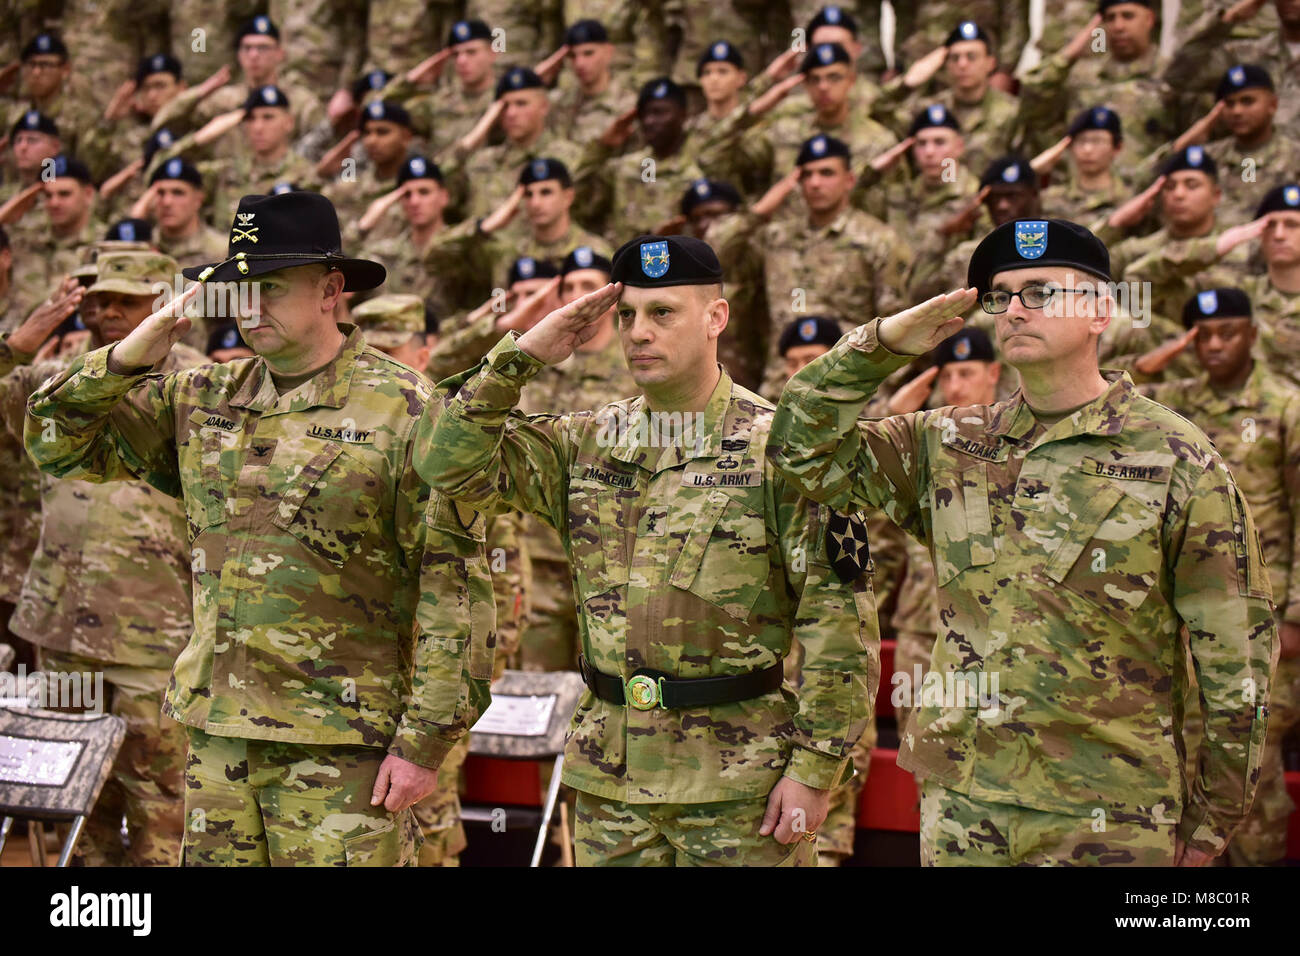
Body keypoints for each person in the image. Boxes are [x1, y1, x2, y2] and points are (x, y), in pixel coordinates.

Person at [767, 218, 1276, 866]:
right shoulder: (948, 442)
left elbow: (1237, 658)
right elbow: (797, 448)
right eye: (1000, 295)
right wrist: (886, 343)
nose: (1012, 309)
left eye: (1038, 292)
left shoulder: (1176, 458)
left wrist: (1211, 824)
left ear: (1098, 311)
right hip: (964, 807)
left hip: (1108, 813)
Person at [24, 191, 496, 866]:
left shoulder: (408, 410)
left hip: (340, 744)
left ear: (332, 289)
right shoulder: (203, 397)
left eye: (270, 287)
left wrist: (424, 743)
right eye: (237, 290)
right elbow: (52, 439)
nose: (249, 307)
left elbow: (454, 591)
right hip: (218, 738)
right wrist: (128, 356)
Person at [415, 234, 877, 866]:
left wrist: (817, 767)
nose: (637, 332)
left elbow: (839, 624)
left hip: (741, 785)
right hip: (612, 779)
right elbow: (444, 463)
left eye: (663, 313)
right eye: (627, 314)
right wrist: (518, 359)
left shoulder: (783, 448)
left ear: (716, 317)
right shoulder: (587, 442)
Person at [0, 252, 207, 865]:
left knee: (161, 805)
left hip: (158, 640)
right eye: (98, 300)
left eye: (126, 300)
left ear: (166, 301)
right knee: (75, 799)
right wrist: (17, 343)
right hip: (64, 631)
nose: (109, 311)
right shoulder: (56, 381)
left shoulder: (202, 386)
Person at [1138, 287, 1300, 866]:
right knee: (1177, 763)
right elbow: (1101, 389)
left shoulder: (1286, 407)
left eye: (1226, 332)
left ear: (1254, 334)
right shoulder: (1176, 403)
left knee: (1250, 763)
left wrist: (1296, 615)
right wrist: (1157, 357)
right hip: (1180, 614)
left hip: (1262, 616)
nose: (1212, 345)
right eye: (1201, 335)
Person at [711, 134, 913, 398]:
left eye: (826, 173)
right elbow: (716, 255)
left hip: (849, 390)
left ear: (849, 180)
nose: (815, 183)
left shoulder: (879, 240)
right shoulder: (776, 238)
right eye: (807, 175)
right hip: (779, 390)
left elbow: (896, 326)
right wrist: (760, 211)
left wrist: (877, 393)